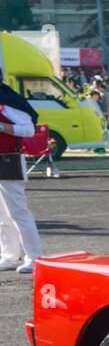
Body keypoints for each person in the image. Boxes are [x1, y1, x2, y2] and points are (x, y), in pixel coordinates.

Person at [0, 79, 42, 273]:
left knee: (17, 212)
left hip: (9, 159)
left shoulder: (7, 101)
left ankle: (34, 257)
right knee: (3, 215)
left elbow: (29, 129)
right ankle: (9, 255)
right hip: (7, 159)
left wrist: (2, 127)